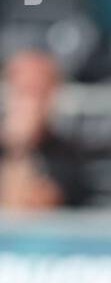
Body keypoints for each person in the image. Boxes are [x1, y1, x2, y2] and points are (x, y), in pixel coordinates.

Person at [0, 49, 88, 209]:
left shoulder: (66, 154)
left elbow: (24, 209)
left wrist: (20, 149)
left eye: (38, 92)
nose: (30, 103)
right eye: (23, 91)